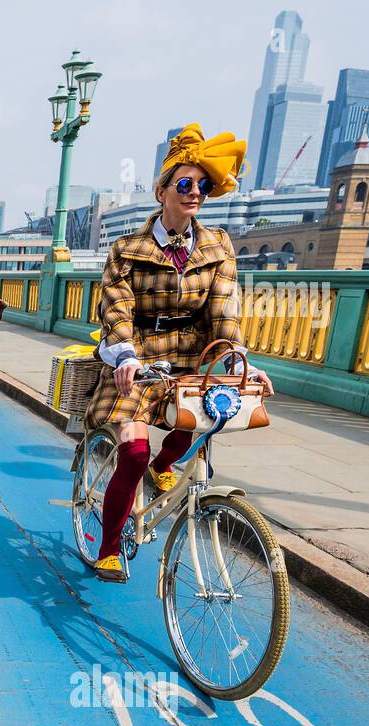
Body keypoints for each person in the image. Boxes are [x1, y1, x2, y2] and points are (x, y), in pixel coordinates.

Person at [85, 123, 273, 583]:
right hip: (139, 358)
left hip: (193, 357)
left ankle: (164, 465)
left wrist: (239, 361)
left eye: (202, 186)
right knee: (131, 454)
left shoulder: (218, 246)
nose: (194, 194)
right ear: (161, 190)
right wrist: (126, 356)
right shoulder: (127, 249)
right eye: (184, 184)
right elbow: (117, 306)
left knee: (202, 423)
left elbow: (225, 309)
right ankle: (109, 547)